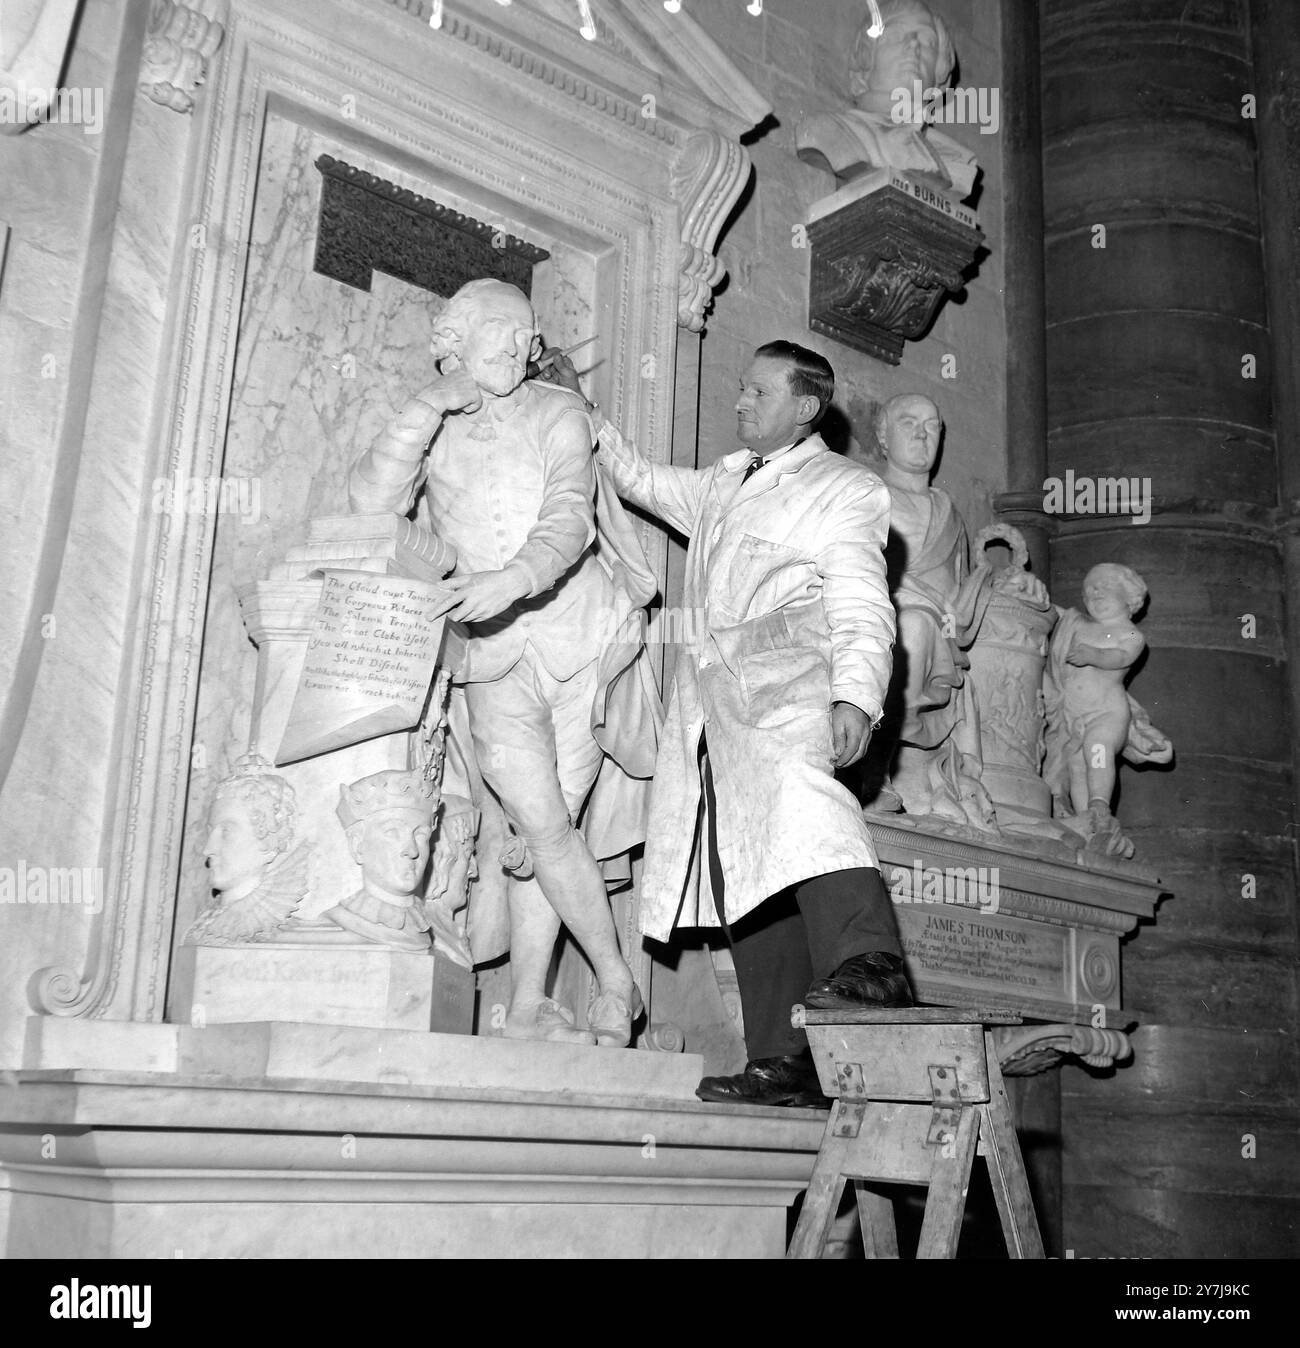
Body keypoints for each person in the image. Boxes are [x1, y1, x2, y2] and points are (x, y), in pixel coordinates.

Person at [554, 340, 914, 1107]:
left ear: (805, 407)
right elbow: (640, 480)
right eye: (742, 390)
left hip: (791, 680)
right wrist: (581, 410)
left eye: (757, 391)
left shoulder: (841, 486)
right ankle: (782, 1060)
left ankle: (873, 967)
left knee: (805, 805)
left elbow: (860, 601)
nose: (741, 401)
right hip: (714, 706)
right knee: (745, 869)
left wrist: (857, 695)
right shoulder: (723, 483)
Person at [348, 278, 658, 1047]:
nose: (515, 348)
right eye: (497, 331)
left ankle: (526, 1004)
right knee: (540, 819)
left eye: (525, 336)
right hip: (490, 658)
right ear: (454, 338)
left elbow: (568, 520)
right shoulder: (436, 423)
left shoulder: (561, 414)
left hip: (579, 642)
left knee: (551, 826)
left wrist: (510, 580)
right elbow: (368, 508)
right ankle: (614, 978)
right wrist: (425, 410)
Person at [1043, 563, 1173, 848]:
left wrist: (1093, 654)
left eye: (1103, 587)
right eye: (1088, 591)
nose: (1094, 593)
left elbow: (1118, 657)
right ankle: (1087, 819)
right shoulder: (1077, 623)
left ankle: (1100, 804)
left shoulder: (1130, 635)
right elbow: (1050, 611)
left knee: (1098, 750)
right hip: (1071, 714)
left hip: (1106, 712)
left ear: (1129, 596)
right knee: (1077, 767)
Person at [795, 0, 978, 201]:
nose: (914, 44)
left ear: (939, 71)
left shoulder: (956, 160)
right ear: (867, 55)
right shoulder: (827, 131)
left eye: (928, 42)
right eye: (897, 34)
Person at [327, 769, 439, 951]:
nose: (412, 851)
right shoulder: (340, 923)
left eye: (420, 835)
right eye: (392, 832)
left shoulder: (424, 926)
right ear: (357, 845)